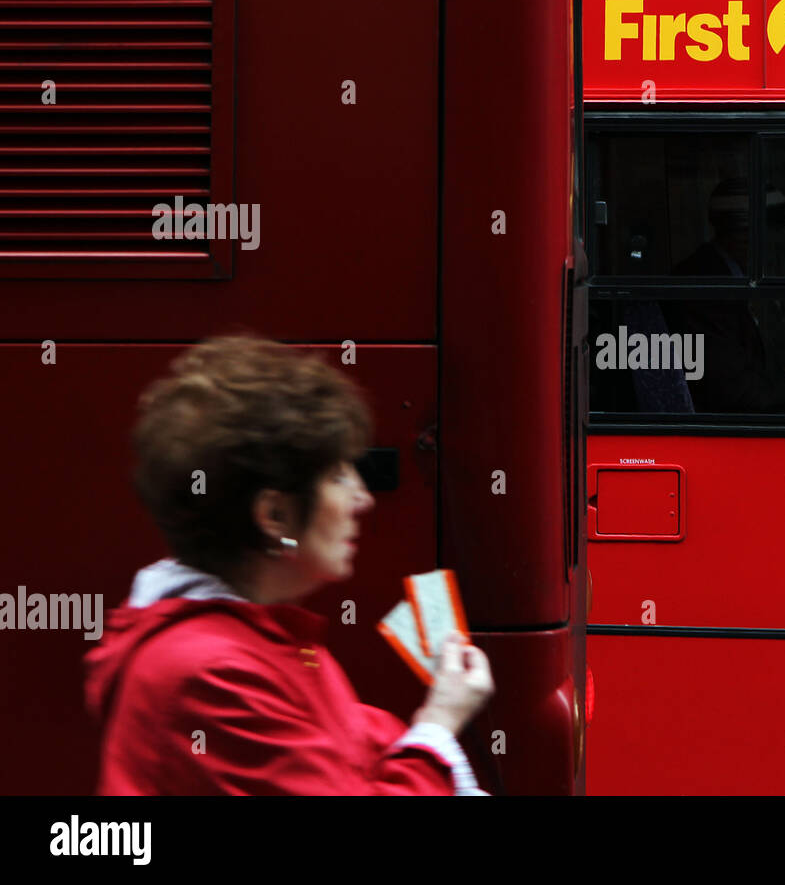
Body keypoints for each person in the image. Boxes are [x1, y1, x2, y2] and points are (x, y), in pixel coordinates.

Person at [84, 335, 493, 795]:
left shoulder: (270, 643)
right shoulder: (210, 674)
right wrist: (441, 719)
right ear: (275, 516)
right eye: (338, 475)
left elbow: (361, 750)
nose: (361, 498)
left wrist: (438, 717)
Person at [669, 177, 785, 412]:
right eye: (771, 233)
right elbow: (734, 393)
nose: (777, 244)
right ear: (744, 235)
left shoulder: (735, 276)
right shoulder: (705, 290)